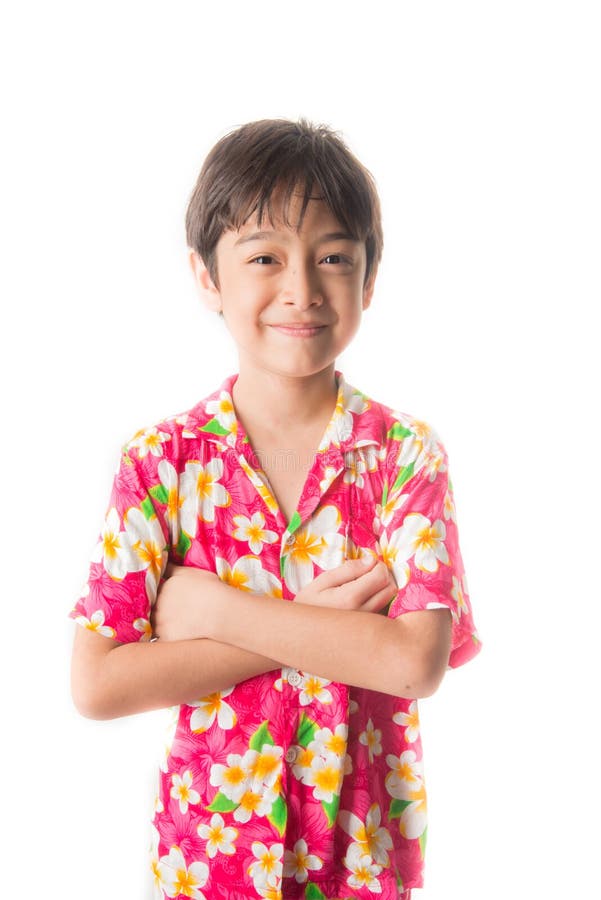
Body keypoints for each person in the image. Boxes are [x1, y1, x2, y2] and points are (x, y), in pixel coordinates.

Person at [70, 118, 480, 900]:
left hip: (360, 858)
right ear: (206, 276)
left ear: (368, 279)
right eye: (264, 258)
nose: (301, 289)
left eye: (332, 257)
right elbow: (98, 685)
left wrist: (210, 608)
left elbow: (411, 663)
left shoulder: (404, 456)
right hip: (209, 860)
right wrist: (321, 623)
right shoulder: (163, 461)